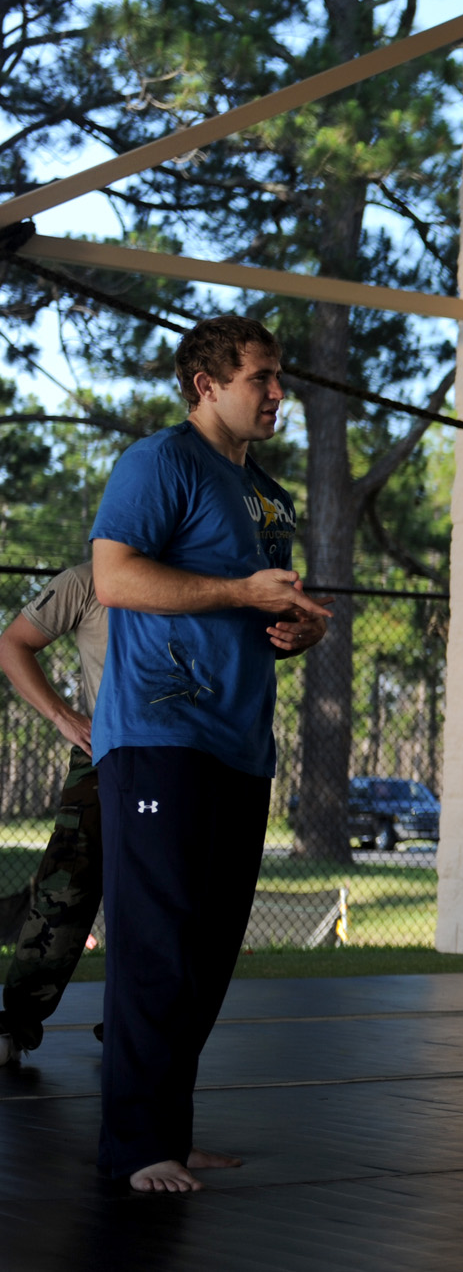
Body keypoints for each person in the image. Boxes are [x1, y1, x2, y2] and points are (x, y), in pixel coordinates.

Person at [88, 314, 331, 1193]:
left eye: (278, 376)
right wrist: (235, 588)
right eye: (261, 377)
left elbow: (254, 615)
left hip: (240, 742)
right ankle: (137, 1146)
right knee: (156, 941)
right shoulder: (161, 462)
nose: (277, 392)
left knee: (208, 950)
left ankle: (169, 1128)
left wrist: (289, 629)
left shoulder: (267, 493)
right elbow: (116, 578)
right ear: (207, 385)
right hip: (160, 735)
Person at [0, 562, 107, 1064]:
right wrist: (63, 715)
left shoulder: (207, 574)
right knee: (65, 888)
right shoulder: (87, 580)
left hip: (182, 759)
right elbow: (12, 643)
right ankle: (15, 1022)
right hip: (103, 754)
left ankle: (137, 1027)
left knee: (159, 897)